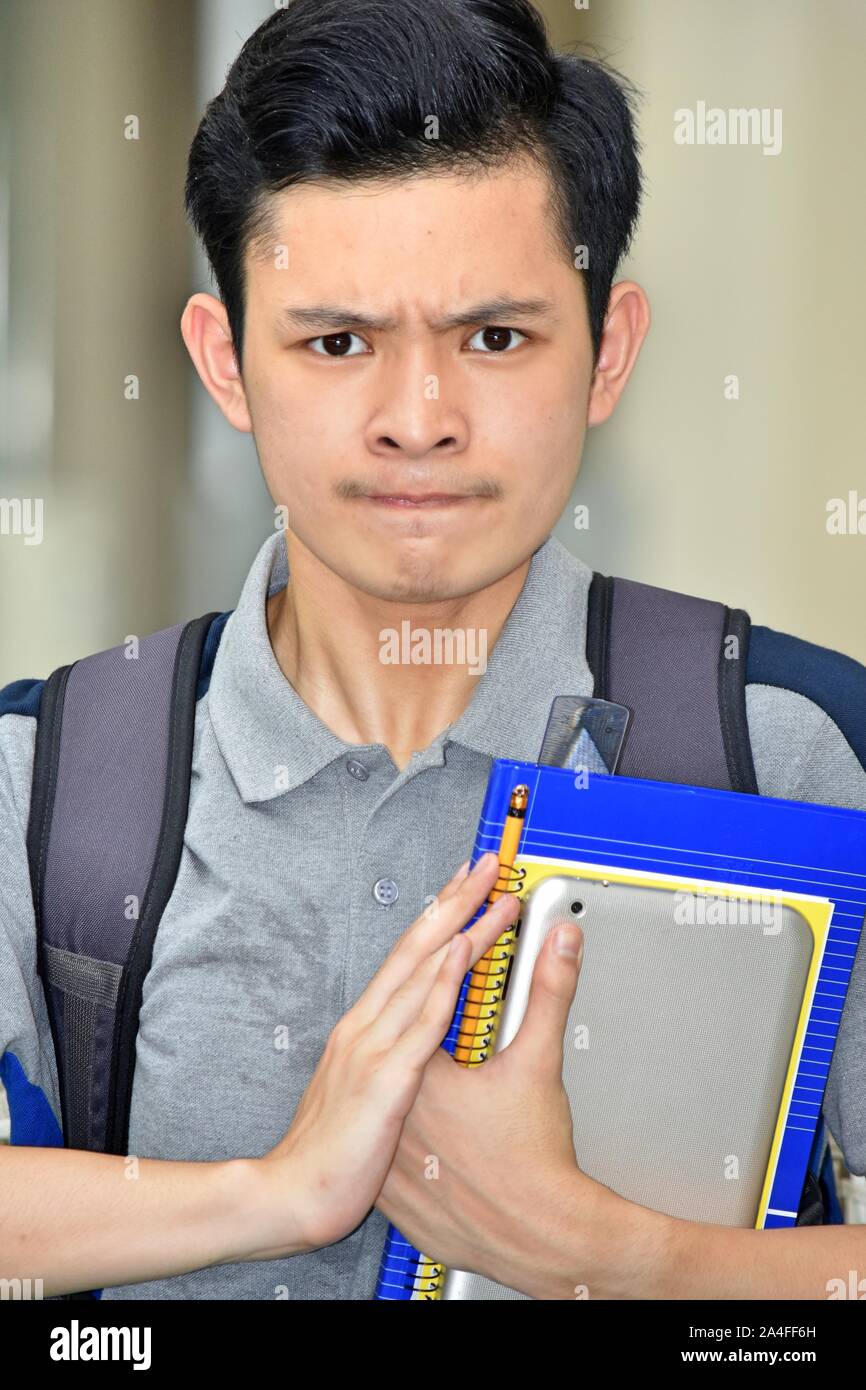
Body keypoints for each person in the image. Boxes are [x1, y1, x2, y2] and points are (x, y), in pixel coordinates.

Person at [1, 0, 864, 1301]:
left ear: (605, 351)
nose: (419, 420)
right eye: (336, 342)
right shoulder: (46, 782)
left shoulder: (792, 744)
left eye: (495, 338)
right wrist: (278, 1189)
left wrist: (620, 1257)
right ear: (226, 361)